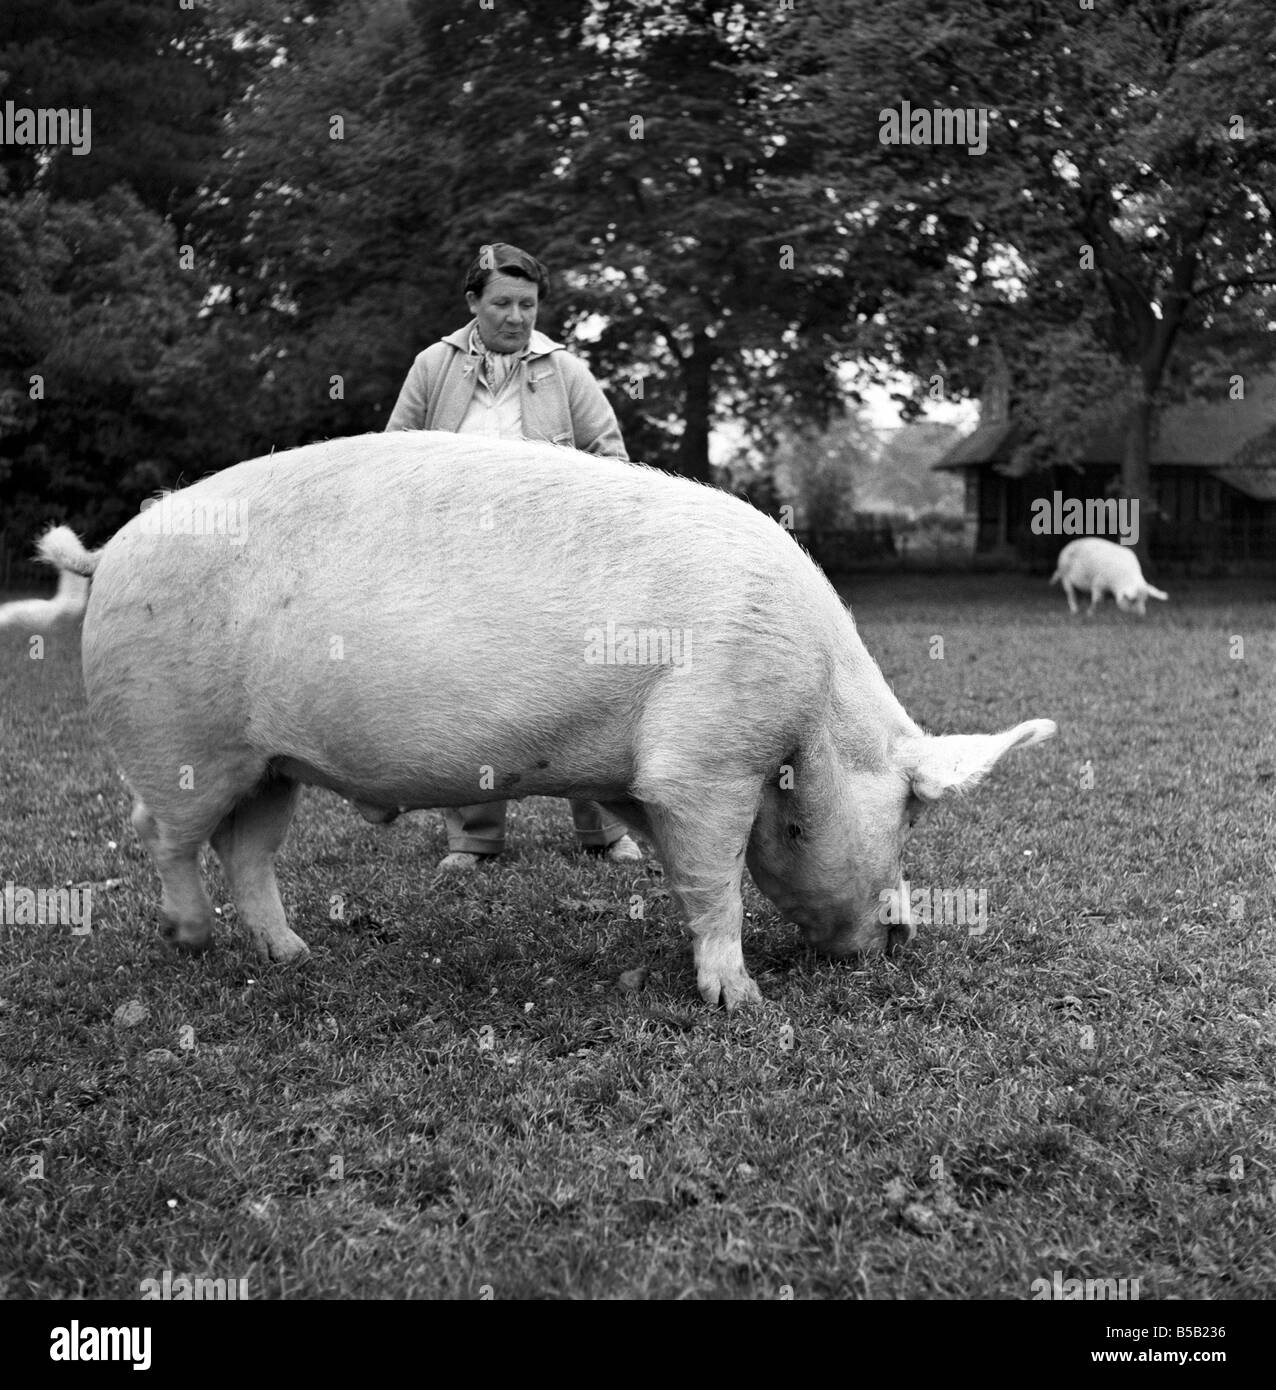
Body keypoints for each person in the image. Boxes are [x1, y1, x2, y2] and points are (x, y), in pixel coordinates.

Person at [385, 241, 642, 870]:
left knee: (584, 689)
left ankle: (606, 831)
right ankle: (475, 838)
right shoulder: (432, 367)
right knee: (471, 691)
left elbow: (614, 459)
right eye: (502, 302)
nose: (516, 316)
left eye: (527, 304)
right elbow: (390, 458)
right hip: (458, 563)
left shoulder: (566, 371)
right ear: (473, 302)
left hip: (553, 562)